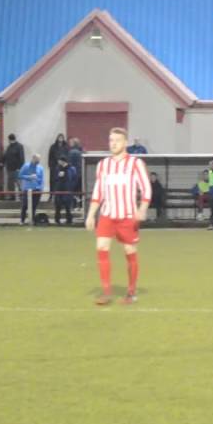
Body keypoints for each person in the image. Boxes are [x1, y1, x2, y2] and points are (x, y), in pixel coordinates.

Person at [85, 127, 151, 305]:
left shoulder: (135, 163)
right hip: (107, 215)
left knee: (129, 252)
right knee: (101, 248)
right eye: (111, 140)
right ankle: (106, 293)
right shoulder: (103, 165)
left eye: (117, 140)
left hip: (127, 216)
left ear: (125, 143)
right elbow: (98, 191)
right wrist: (91, 214)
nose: (113, 144)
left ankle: (131, 292)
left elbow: (146, 188)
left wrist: (142, 208)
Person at [18, 154, 45, 223]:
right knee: (25, 205)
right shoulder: (26, 166)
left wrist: (41, 188)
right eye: (37, 159)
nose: (38, 161)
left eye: (39, 160)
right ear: (33, 158)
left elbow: (42, 179)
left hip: (37, 190)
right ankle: (22, 220)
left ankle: (32, 220)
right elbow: (20, 175)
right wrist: (29, 177)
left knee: (34, 206)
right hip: (27, 189)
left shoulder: (40, 168)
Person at [54, 153, 80, 225]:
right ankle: (57, 220)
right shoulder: (57, 168)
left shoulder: (71, 168)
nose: (58, 162)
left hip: (67, 189)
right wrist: (58, 176)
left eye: (59, 160)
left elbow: (75, 179)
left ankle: (69, 220)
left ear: (63, 161)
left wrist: (71, 187)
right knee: (58, 206)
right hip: (59, 189)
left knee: (67, 206)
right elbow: (55, 178)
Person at [3, 133, 24, 199]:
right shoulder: (9, 147)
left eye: (8, 140)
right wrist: (3, 163)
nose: (8, 141)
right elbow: (6, 156)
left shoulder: (19, 146)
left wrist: (19, 168)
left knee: (19, 183)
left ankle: (22, 196)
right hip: (9, 168)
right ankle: (12, 197)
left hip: (16, 169)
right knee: (10, 184)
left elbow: (21, 158)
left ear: (10, 139)